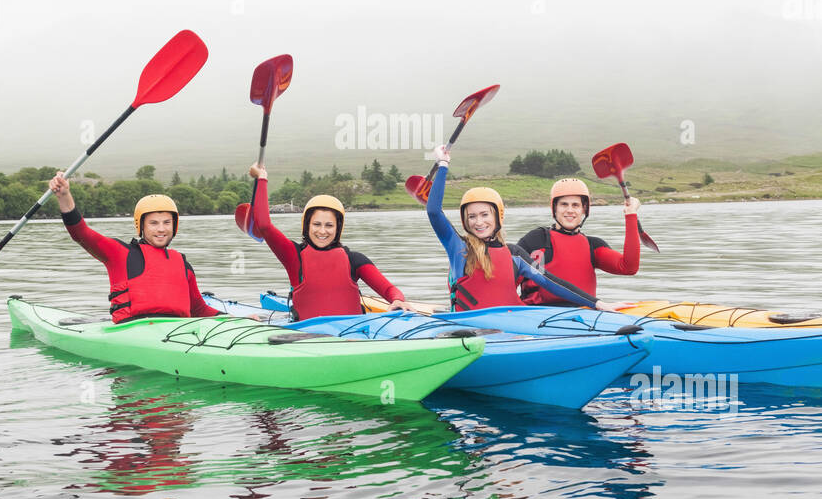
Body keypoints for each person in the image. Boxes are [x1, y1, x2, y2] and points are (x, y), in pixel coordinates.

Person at [426, 146, 609, 312]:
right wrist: (443, 164)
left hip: (514, 329)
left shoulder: (515, 254)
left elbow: (552, 282)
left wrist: (596, 303)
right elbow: (434, 212)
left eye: (485, 215)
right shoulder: (460, 249)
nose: (478, 222)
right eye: (471, 217)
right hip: (472, 331)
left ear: (498, 216)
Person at [248, 165, 419, 320]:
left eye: (329, 225)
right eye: (316, 224)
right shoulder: (294, 256)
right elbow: (263, 225)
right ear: (306, 226)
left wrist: (397, 300)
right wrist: (262, 177)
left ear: (338, 228)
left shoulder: (354, 260)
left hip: (352, 338)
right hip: (305, 338)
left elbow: (389, 290)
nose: (322, 231)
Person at [48, 175, 221, 323]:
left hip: (177, 332)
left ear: (174, 226)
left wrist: (240, 320)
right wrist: (64, 196)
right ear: (141, 226)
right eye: (153, 223)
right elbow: (81, 234)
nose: (161, 229)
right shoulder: (120, 253)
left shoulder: (184, 265)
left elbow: (199, 309)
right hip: (132, 331)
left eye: (167, 222)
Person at [515, 177, 640, 305]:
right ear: (554, 208)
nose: (570, 210)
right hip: (538, 315)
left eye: (575, 205)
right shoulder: (536, 239)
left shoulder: (593, 245)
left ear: (584, 209)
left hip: (584, 315)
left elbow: (629, 267)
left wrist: (630, 215)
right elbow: (509, 279)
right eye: (564, 204)